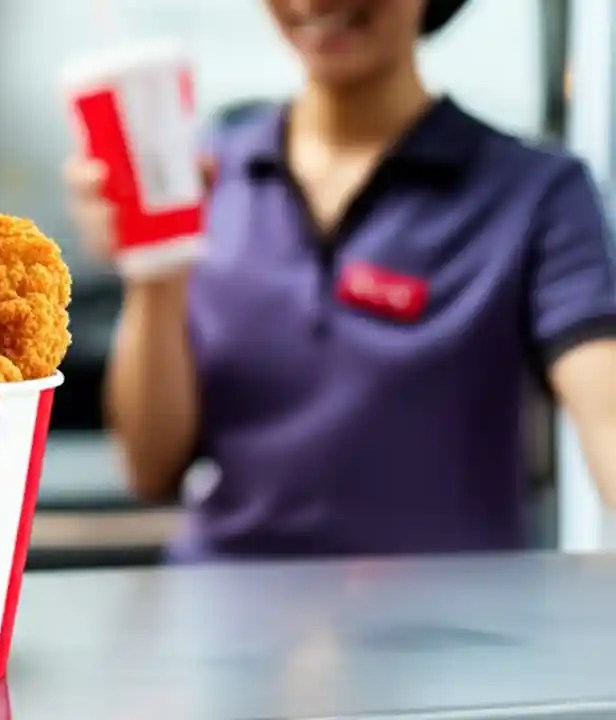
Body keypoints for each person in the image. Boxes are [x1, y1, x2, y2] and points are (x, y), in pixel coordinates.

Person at [65, 0, 616, 560]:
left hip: (452, 628)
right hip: (228, 615)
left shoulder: (535, 195)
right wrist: (155, 272)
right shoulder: (208, 177)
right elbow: (150, 468)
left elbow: (608, 414)